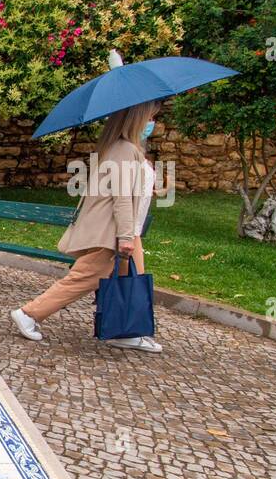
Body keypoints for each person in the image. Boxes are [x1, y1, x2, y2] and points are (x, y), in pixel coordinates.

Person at [11, 100, 163, 353]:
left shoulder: (126, 147)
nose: (152, 122)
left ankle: (126, 332)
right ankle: (29, 313)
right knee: (84, 277)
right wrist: (125, 237)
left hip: (128, 230)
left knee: (130, 280)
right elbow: (122, 197)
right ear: (137, 117)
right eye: (149, 116)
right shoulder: (124, 149)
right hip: (114, 232)